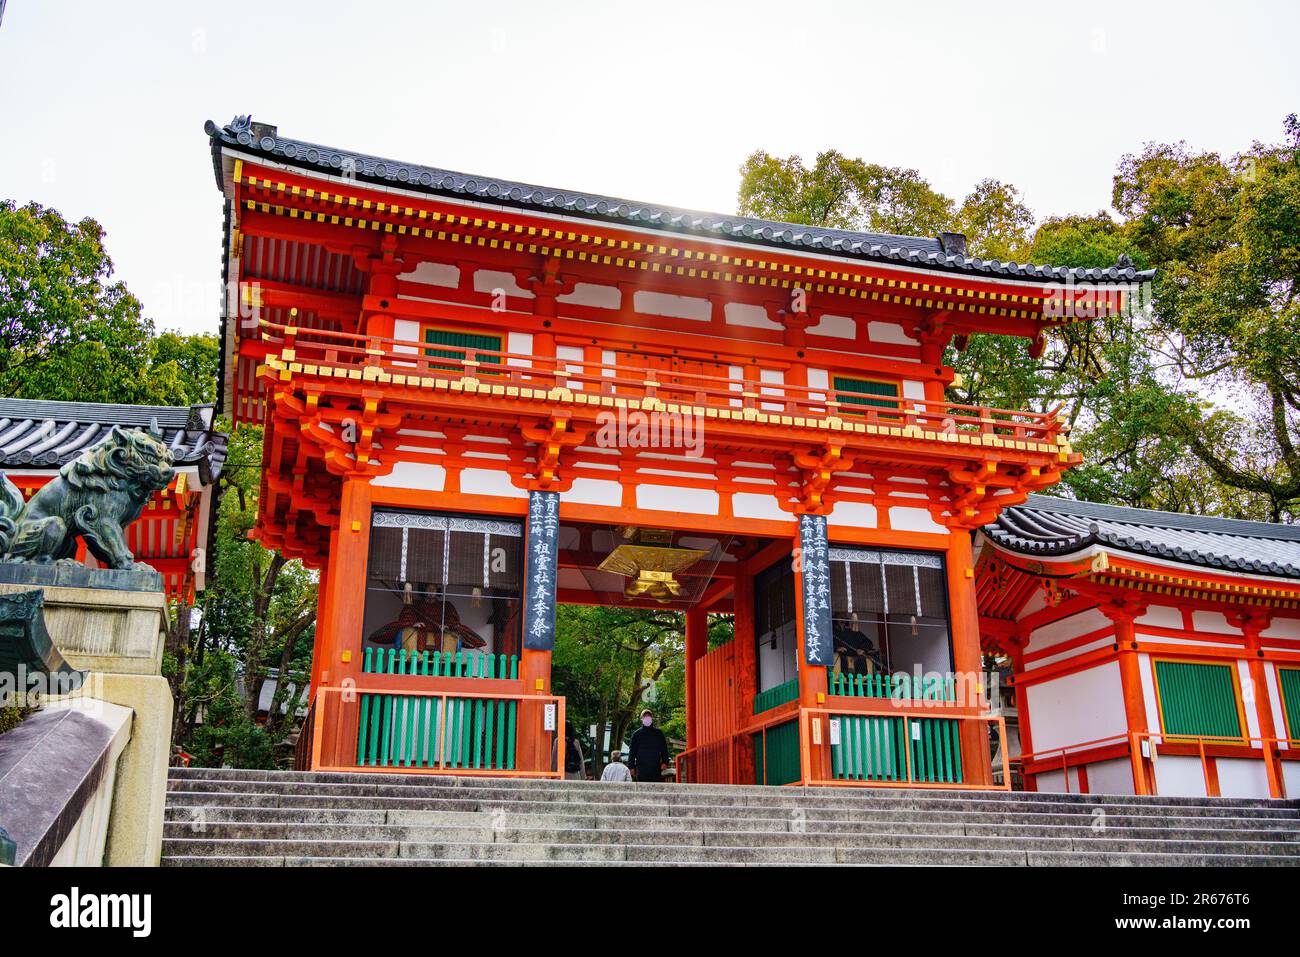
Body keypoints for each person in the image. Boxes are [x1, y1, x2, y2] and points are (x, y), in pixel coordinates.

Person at [626, 709, 670, 782]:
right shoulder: (636, 734)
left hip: (655, 767)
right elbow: (632, 752)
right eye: (645, 716)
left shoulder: (658, 733)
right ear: (641, 719)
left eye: (649, 716)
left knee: (656, 789)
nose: (647, 717)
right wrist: (631, 767)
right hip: (641, 768)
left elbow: (664, 749)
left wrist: (665, 762)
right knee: (641, 789)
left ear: (652, 718)